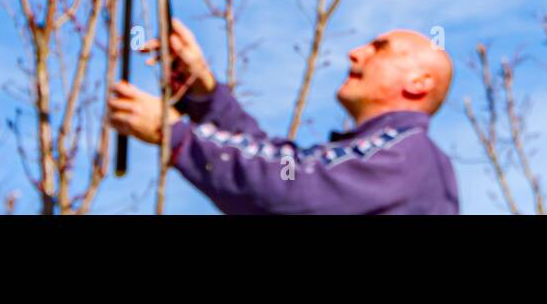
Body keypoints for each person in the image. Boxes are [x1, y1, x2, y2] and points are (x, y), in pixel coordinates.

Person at [108, 20, 459, 214]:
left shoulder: (408, 155)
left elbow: (293, 190)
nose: (355, 53)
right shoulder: (385, 154)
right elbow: (289, 168)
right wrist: (204, 94)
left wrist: (175, 132)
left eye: (379, 48)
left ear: (418, 83)